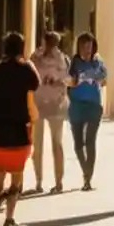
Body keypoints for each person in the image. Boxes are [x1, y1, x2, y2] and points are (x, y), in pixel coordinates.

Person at [0, 32, 40, 226]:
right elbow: (36, 84)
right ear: (22, 49)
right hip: (18, 131)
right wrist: (28, 63)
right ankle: (9, 217)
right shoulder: (26, 70)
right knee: (17, 177)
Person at [29, 31, 70, 194]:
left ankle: (56, 182)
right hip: (40, 103)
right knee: (41, 144)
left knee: (54, 144)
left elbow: (68, 80)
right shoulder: (36, 57)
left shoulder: (62, 59)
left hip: (55, 104)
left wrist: (57, 82)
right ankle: (41, 181)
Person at [67, 33, 108, 191]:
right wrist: (75, 80)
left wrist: (97, 76)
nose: (87, 50)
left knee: (90, 141)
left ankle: (88, 177)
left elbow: (104, 78)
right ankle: (85, 170)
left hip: (93, 106)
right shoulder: (73, 63)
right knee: (78, 143)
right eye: (84, 46)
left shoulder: (98, 62)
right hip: (76, 105)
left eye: (90, 46)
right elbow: (69, 81)